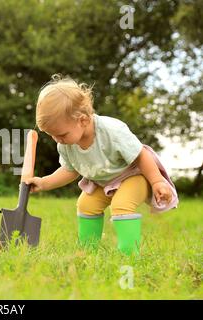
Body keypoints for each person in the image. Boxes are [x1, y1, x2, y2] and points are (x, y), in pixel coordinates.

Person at [25, 74, 179, 255]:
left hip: (133, 175)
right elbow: (69, 170)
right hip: (103, 181)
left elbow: (141, 155)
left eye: (62, 134)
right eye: (52, 135)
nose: (57, 139)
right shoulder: (66, 145)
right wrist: (43, 183)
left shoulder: (112, 131)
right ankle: (88, 251)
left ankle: (129, 254)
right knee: (86, 205)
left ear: (82, 120)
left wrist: (157, 181)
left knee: (121, 205)